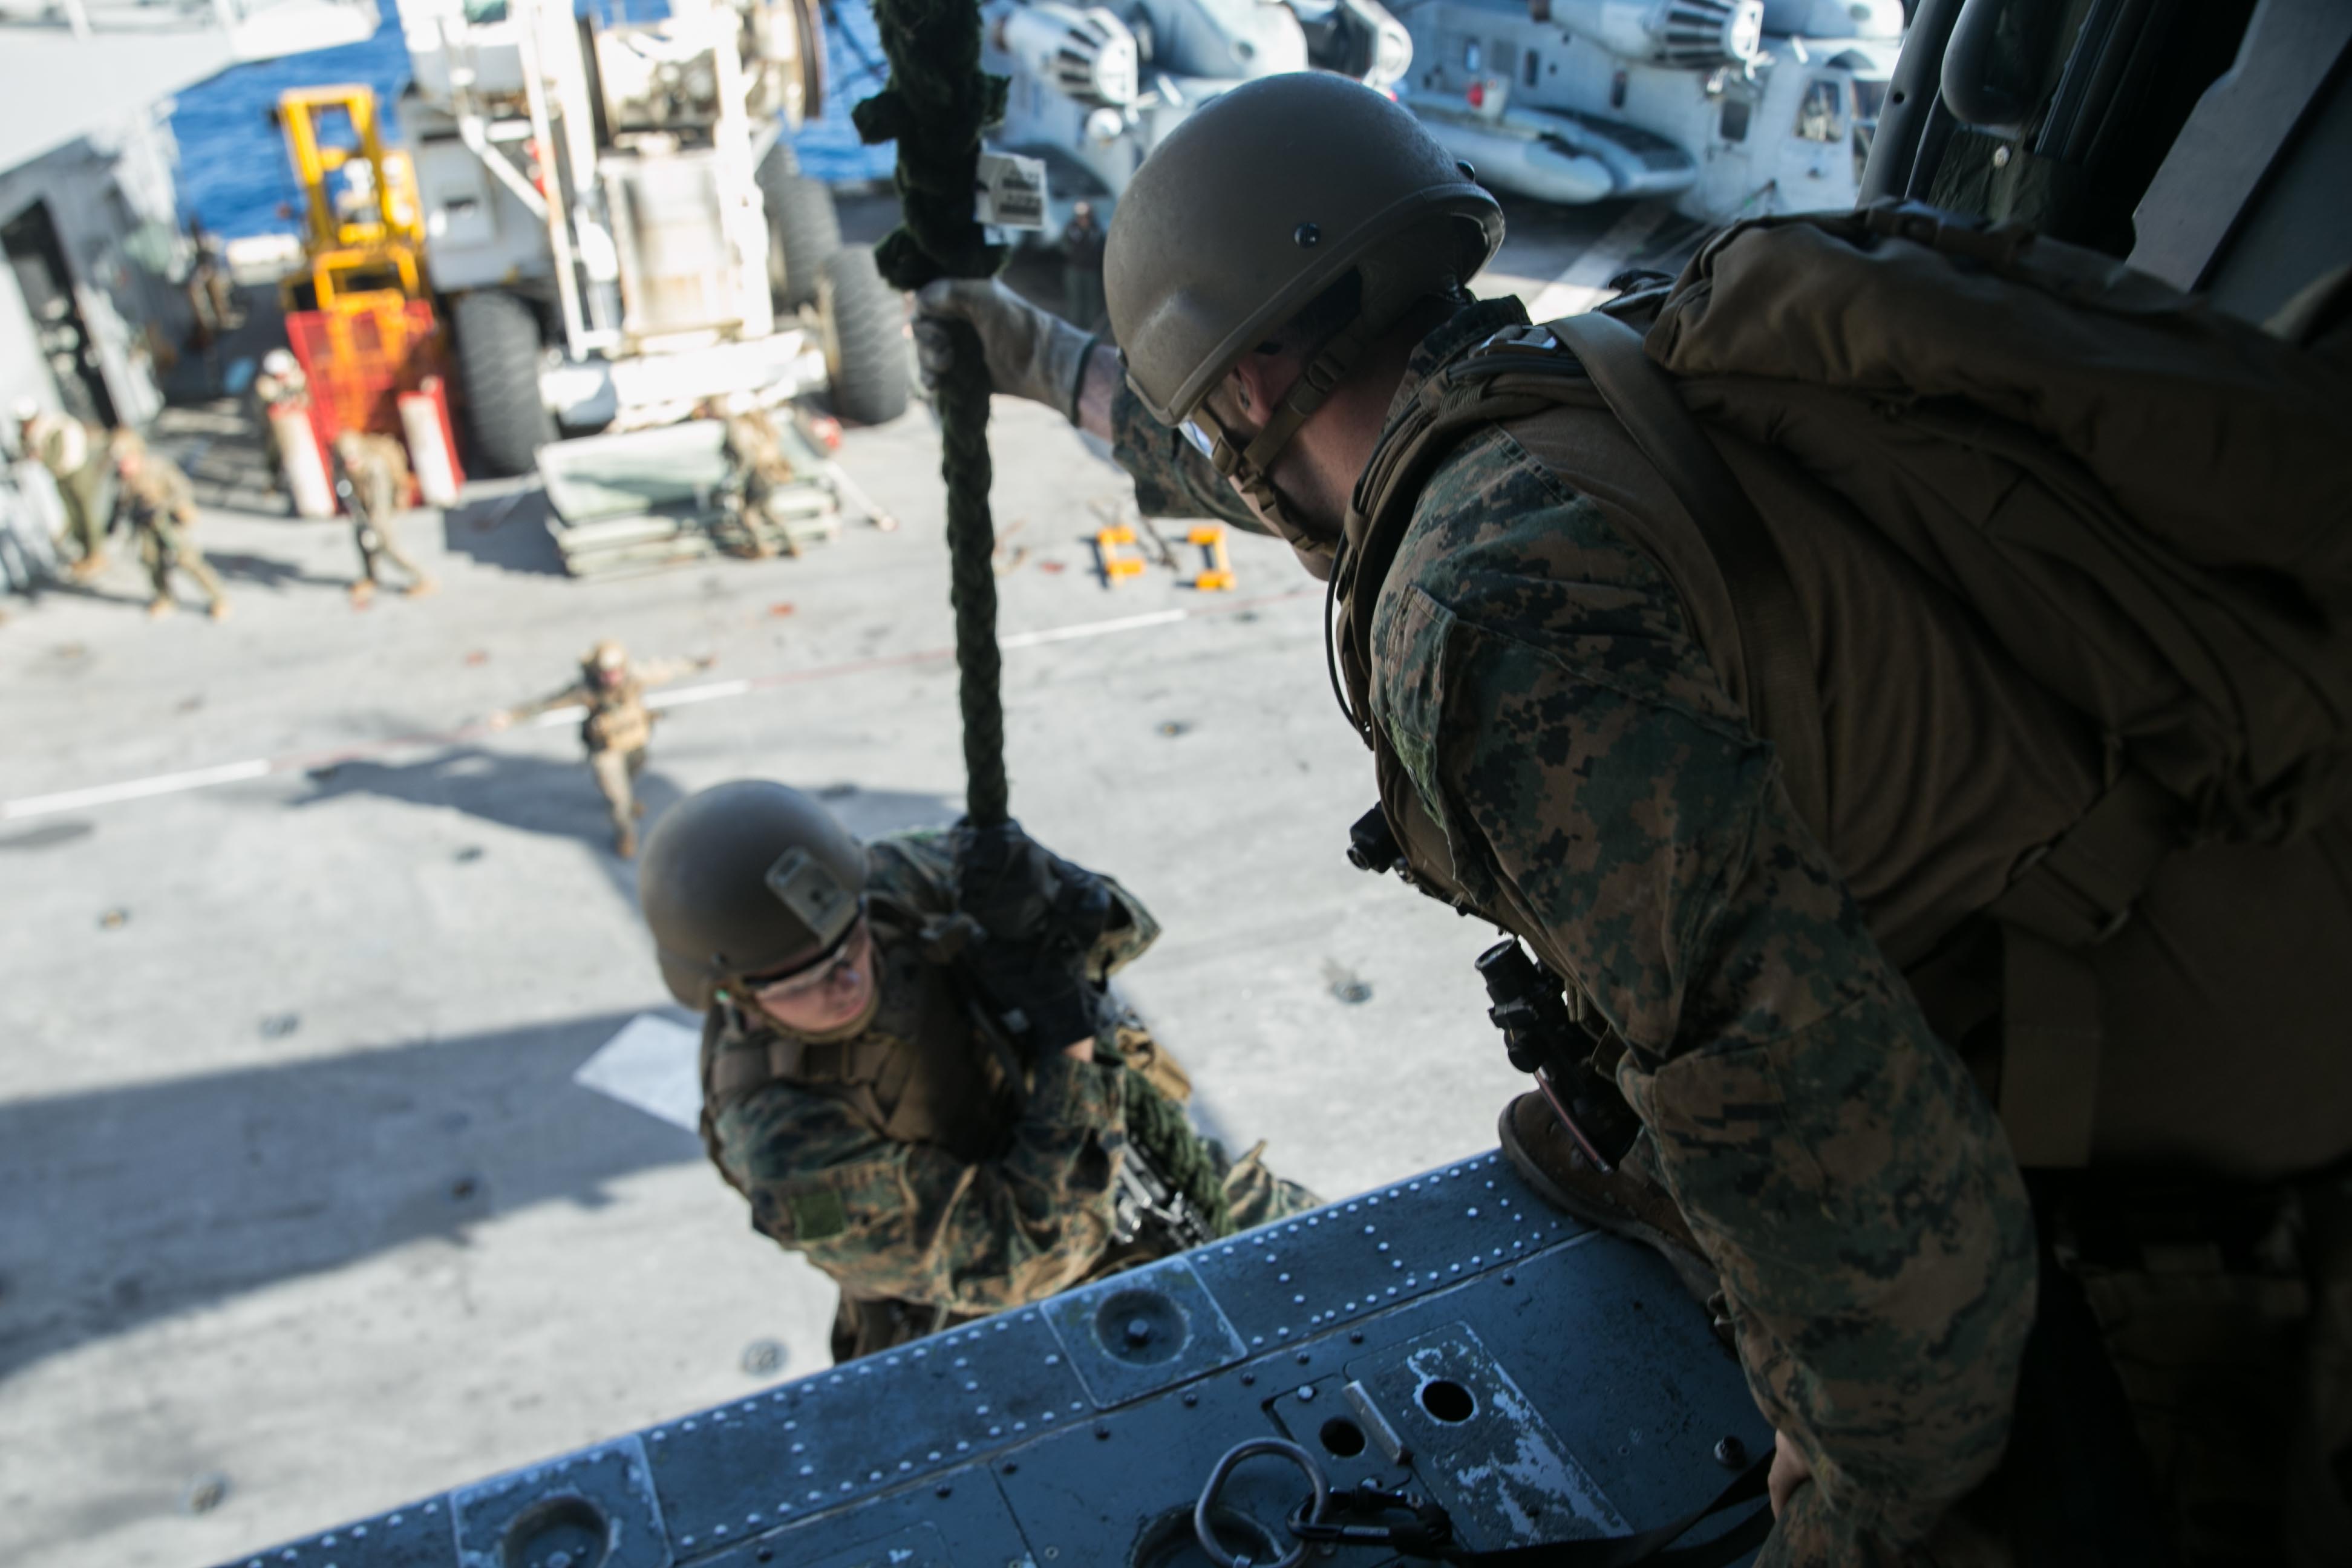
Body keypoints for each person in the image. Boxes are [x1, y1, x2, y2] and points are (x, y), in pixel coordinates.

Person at [913, 72, 2352, 1566]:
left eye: (1220, 418)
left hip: (2203, 1183)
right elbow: (1338, 488)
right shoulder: (1612, 378)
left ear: (1254, 386)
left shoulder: (1484, 606)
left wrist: (1838, 1516)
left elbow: (1859, 1200)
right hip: (2248, 914)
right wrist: (1041, 361)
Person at [637, 781, 1319, 1362]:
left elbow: (1127, 926)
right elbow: (1036, 1252)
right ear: (735, 995)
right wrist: (1069, 1045)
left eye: (850, 943)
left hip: (1130, 1167)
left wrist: (1059, 900)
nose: (846, 980)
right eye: (802, 980)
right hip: (983, 1312)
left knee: (1341, 1266)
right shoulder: (784, 1141)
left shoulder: (892, 885)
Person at [491, 640, 713, 858]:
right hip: (607, 750)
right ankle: (626, 834)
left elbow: (668, 667)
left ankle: (628, 802)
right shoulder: (587, 690)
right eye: (605, 673)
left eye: (616, 672)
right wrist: (511, 717)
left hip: (635, 744)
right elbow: (547, 703)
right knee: (617, 799)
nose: (611, 678)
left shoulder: (635, 677)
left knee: (631, 777)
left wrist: (699, 664)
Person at [109, 430, 229, 621]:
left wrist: (163, 507)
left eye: (125, 461)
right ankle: (165, 598)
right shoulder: (125, 478)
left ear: (137, 454)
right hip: (146, 526)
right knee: (151, 562)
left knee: (188, 560)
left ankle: (219, 598)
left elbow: (181, 490)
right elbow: (123, 502)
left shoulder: (158, 468)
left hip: (168, 522)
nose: (122, 466)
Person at [330, 428, 436, 604]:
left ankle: (424, 578)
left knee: (389, 547)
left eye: (353, 456)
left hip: (380, 510)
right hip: (361, 508)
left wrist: (373, 526)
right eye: (346, 458)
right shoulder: (341, 465)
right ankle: (370, 578)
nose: (350, 462)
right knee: (361, 543)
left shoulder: (375, 467)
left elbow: (380, 502)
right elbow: (342, 484)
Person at [13, 399, 111, 578]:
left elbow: (53, 456)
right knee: (74, 515)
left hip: (76, 473)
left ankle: (96, 554)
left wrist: (38, 456)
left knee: (86, 514)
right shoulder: (33, 432)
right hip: (62, 477)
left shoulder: (53, 427)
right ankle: (86, 552)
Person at [1059, 200, 1107, 333]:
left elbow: (1102, 246)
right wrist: (1073, 254)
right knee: (1075, 301)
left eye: (1086, 216)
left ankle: (1091, 327)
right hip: (1074, 269)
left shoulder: (1096, 231)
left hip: (1091, 270)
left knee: (1092, 300)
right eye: (1081, 216)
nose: (1083, 219)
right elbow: (1063, 245)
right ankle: (1074, 327)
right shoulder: (1071, 229)